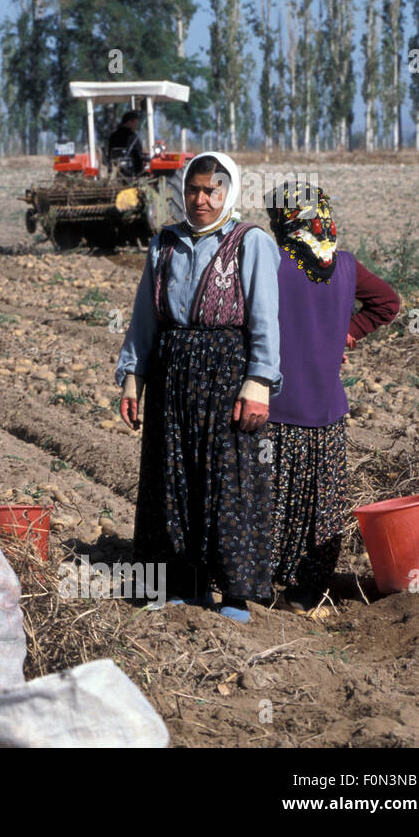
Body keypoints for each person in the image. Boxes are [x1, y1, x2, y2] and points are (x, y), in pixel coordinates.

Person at [115, 151, 281, 623]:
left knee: (228, 476)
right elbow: (144, 318)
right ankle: (177, 584)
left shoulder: (249, 242)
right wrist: (133, 379)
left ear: (230, 194)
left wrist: (259, 382)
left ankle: (232, 593)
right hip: (172, 371)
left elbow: (266, 319)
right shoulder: (165, 243)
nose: (201, 199)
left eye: (212, 190)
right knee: (170, 476)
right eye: (194, 189)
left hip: (228, 373)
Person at [263, 181, 400, 611]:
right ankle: (306, 593)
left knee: (269, 501)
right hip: (328, 414)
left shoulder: (270, 264)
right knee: (320, 508)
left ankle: (259, 584)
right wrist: (349, 333)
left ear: (280, 220)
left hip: (275, 410)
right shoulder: (343, 265)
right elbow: (388, 303)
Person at [107, 110, 145, 177]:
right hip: (130, 173)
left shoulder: (112, 136)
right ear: (129, 122)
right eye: (135, 124)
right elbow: (138, 159)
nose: (136, 127)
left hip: (114, 172)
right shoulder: (134, 138)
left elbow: (109, 154)